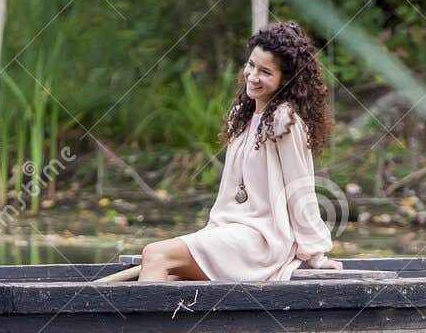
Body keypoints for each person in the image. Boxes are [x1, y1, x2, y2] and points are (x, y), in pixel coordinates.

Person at [139, 20, 343, 282]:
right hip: (229, 232)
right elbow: (231, 192)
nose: (252, 76)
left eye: (266, 72)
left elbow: (299, 188)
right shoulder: (242, 116)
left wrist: (315, 253)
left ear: (286, 79)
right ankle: (150, 324)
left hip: (263, 240)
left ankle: (141, 324)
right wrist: (210, 233)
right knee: (165, 271)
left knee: (155, 254)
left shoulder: (284, 120)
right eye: (251, 65)